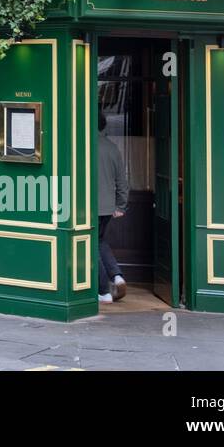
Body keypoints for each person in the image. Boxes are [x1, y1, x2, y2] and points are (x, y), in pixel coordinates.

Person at [95, 112, 129, 303]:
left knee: (91, 245)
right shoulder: (112, 147)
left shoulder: (82, 146)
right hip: (108, 207)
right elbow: (122, 182)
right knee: (99, 241)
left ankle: (103, 291)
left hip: (88, 207)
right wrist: (121, 205)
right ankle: (116, 275)